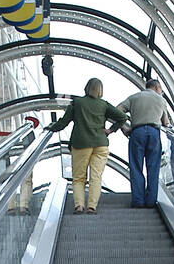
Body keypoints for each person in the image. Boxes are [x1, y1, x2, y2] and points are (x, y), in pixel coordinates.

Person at [50, 78, 127, 213]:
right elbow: (122, 117)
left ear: (86, 88)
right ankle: (92, 206)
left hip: (81, 143)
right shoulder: (104, 105)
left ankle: (79, 205)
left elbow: (63, 122)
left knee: (79, 177)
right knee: (96, 177)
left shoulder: (77, 103)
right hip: (100, 144)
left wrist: (50, 128)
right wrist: (110, 130)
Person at [118, 79, 171, 208]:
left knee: (136, 166)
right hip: (154, 133)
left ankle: (138, 200)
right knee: (153, 167)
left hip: (137, 131)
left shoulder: (134, 97)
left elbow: (117, 110)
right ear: (157, 88)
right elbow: (165, 122)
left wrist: (124, 127)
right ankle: (151, 201)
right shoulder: (161, 100)